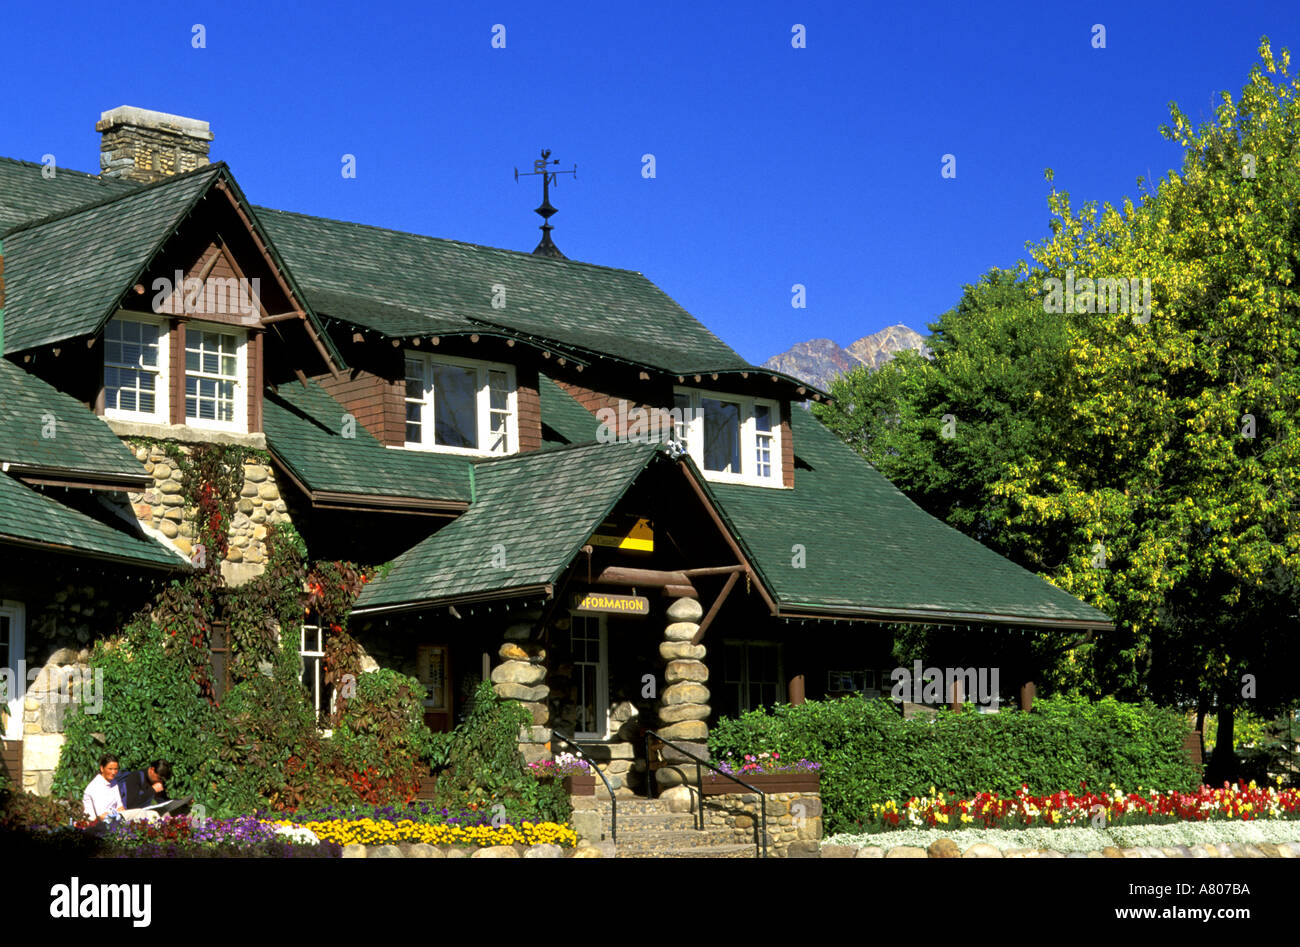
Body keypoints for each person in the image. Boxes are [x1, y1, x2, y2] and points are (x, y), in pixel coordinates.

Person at [82, 754, 123, 823]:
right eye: (110, 769)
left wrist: (117, 813)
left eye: (116, 769)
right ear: (102, 768)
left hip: (113, 820)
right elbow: (102, 817)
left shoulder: (114, 782)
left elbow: (121, 807)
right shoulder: (95, 787)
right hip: (96, 825)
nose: (113, 772)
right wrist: (118, 813)